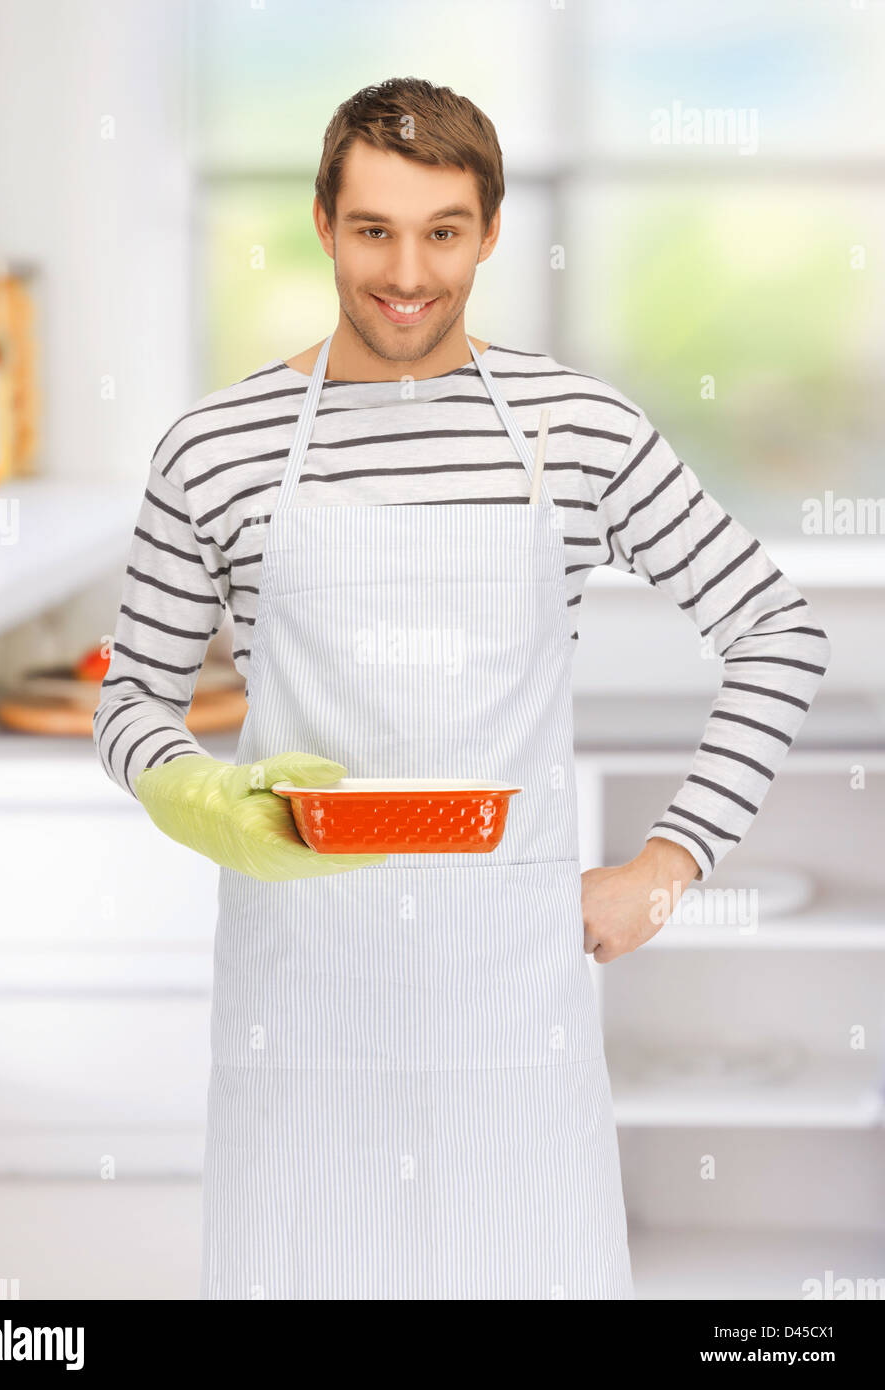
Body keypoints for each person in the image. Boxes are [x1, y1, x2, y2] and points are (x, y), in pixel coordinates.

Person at [92, 77, 830, 1300]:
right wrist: (202, 799)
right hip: (306, 1005)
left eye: (443, 231)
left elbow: (775, 629)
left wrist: (666, 864)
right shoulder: (214, 448)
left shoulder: (577, 429)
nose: (408, 272)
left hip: (509, 1002)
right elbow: (131, 705)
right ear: (323, 223)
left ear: (490, 232)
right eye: (374, 229)